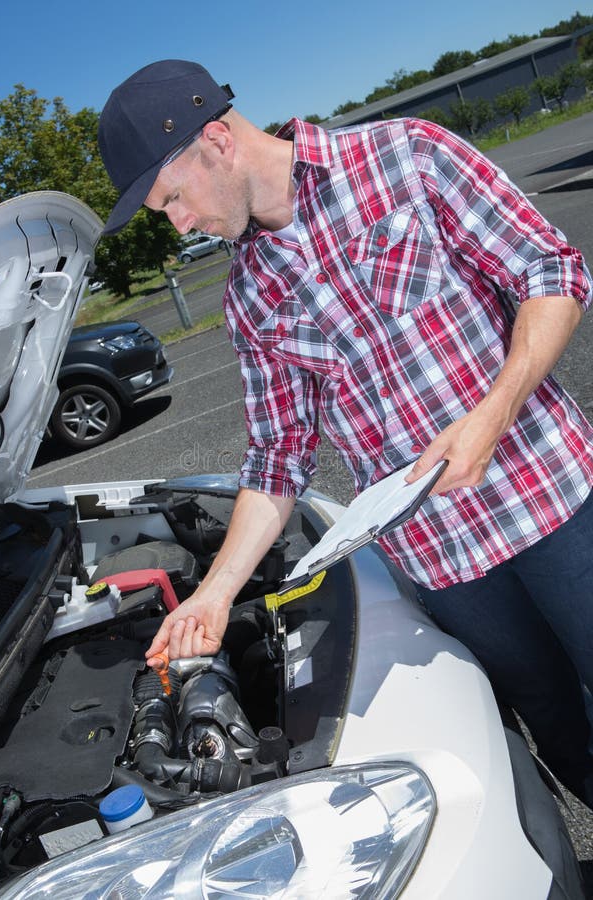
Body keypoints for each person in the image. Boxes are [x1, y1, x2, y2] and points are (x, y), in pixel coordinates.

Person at [98, 60, 593, 805]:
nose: (178, 223)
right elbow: (278, 453)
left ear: (217, 141)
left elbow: (551, 271)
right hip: (448, 567)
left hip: (549, 502)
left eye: (173, 197)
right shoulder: (249, 297)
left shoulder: (407, 155)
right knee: (558, 727)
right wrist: (212, 594)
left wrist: (492, 415)